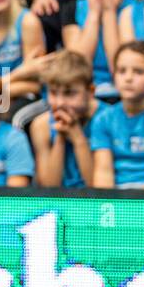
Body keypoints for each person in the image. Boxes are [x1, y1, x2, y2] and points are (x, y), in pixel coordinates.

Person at [27, 49, 100, 186]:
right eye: (53, 93)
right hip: (60, 204)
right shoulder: (41, 126)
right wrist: (60, 138)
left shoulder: (106, 119)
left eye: (69, 93)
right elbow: (49, 188)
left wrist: (78, 139)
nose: (60, 103)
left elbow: (97, 188)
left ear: (90, 92)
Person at [91, 40, 144, 187]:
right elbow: (103, 174)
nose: (128, 78)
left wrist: (133, 205)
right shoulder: (103, 119)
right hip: (116, 199)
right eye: (122, 71)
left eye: (138, 71)